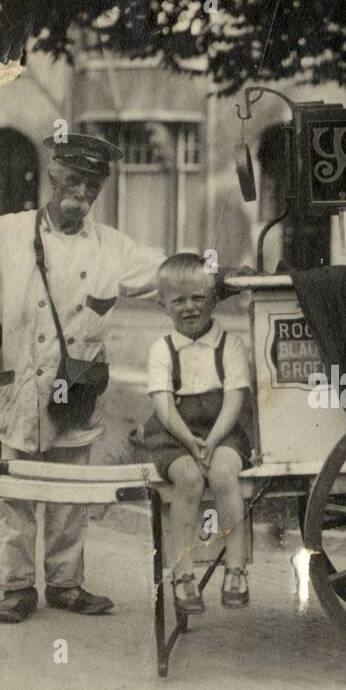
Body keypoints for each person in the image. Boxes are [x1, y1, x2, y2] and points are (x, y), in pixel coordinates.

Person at [0, 133, 164, 623]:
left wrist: (217, 276)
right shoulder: (5, 235)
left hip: (77, 388)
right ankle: (16, 586)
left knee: (72, 487)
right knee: (16, 488)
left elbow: (168, 271)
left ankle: (66, 584)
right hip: (21, 386)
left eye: (92, 185)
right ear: (53, 176)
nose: (82, 192)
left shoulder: (112, 248)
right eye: (74, 179)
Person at [134, 254, 253, 612]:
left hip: (223, 428)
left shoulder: (229, 345)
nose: (189, 308)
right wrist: (189, 440)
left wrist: (214, 440)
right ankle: (182, 573)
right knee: (186, 477)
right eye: (179, 301)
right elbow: (163, 404)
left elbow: (235, 398)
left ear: (214, 298)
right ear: (163, 305)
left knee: (224, 472)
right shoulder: (162, 349)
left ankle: (236, 567)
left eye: (198, 298)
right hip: (175, 432)